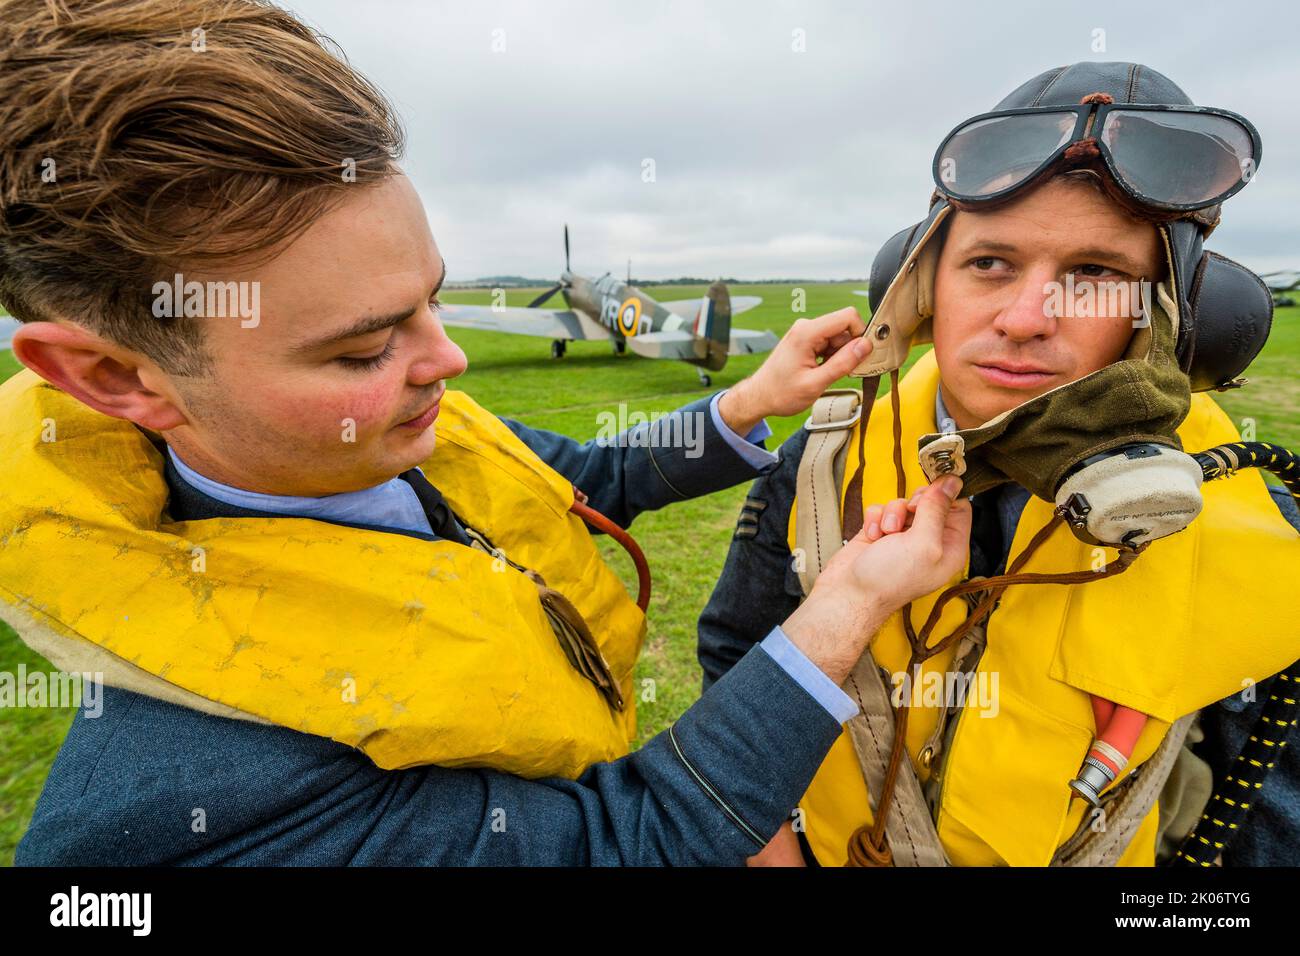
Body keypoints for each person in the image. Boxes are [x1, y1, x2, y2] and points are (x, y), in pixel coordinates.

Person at [0, 0, 976, 865]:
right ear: (114, 376)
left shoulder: (393, 430)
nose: (448, 361)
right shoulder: (196, 805)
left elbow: (589, 475)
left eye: (431, 299)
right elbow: (628, 837)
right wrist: (845, 602)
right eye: (360, 349)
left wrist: (752, 397)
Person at [699, 61, 1300, 867]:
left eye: (1094, 275)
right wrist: (767, 849)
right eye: (989, 263)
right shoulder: (824, 462)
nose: (1024, 319)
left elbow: (1268, 821)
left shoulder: (1250, 523)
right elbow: (734, 652)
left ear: (1172, 319)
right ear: (919, 287)